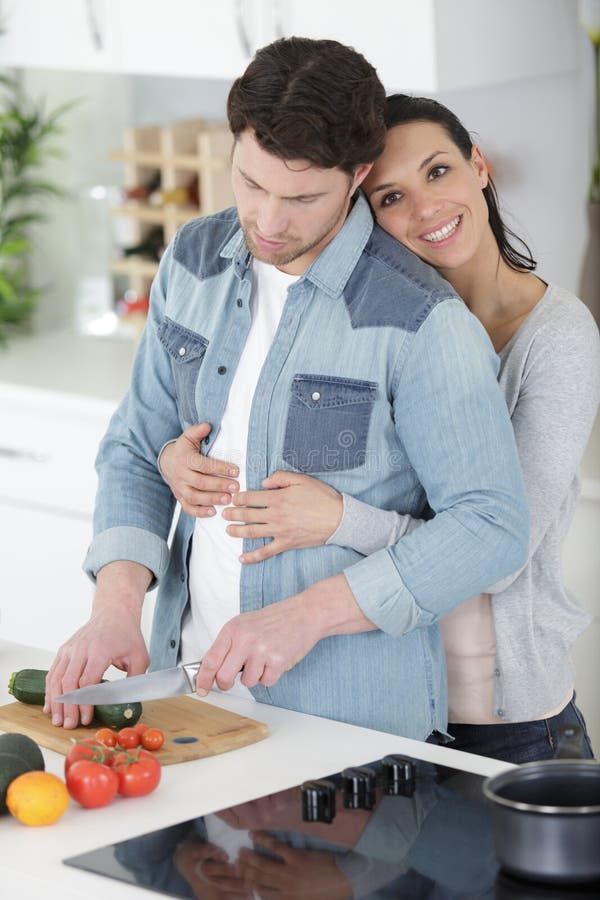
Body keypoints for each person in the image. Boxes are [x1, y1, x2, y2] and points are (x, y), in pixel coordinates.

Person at [45, 41, 529, 742]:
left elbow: (491, 528)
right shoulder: (192, 261)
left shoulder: (420, 319)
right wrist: (116, 605)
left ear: (358, 174)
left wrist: (308, 615)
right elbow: (134, 444)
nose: (268, 221)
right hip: (186, 705)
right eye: (250, 184)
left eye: (301, 197)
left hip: (343, 726)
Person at [163, 93, 599, 763]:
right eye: (390, 198)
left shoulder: (559, 338)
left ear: (478, 165)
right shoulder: (371, 326)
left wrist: (340, 519)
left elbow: (499, 553)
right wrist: (178, 454)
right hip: (374, 696)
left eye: (438, 171)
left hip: (498, 717)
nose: (425, 209)